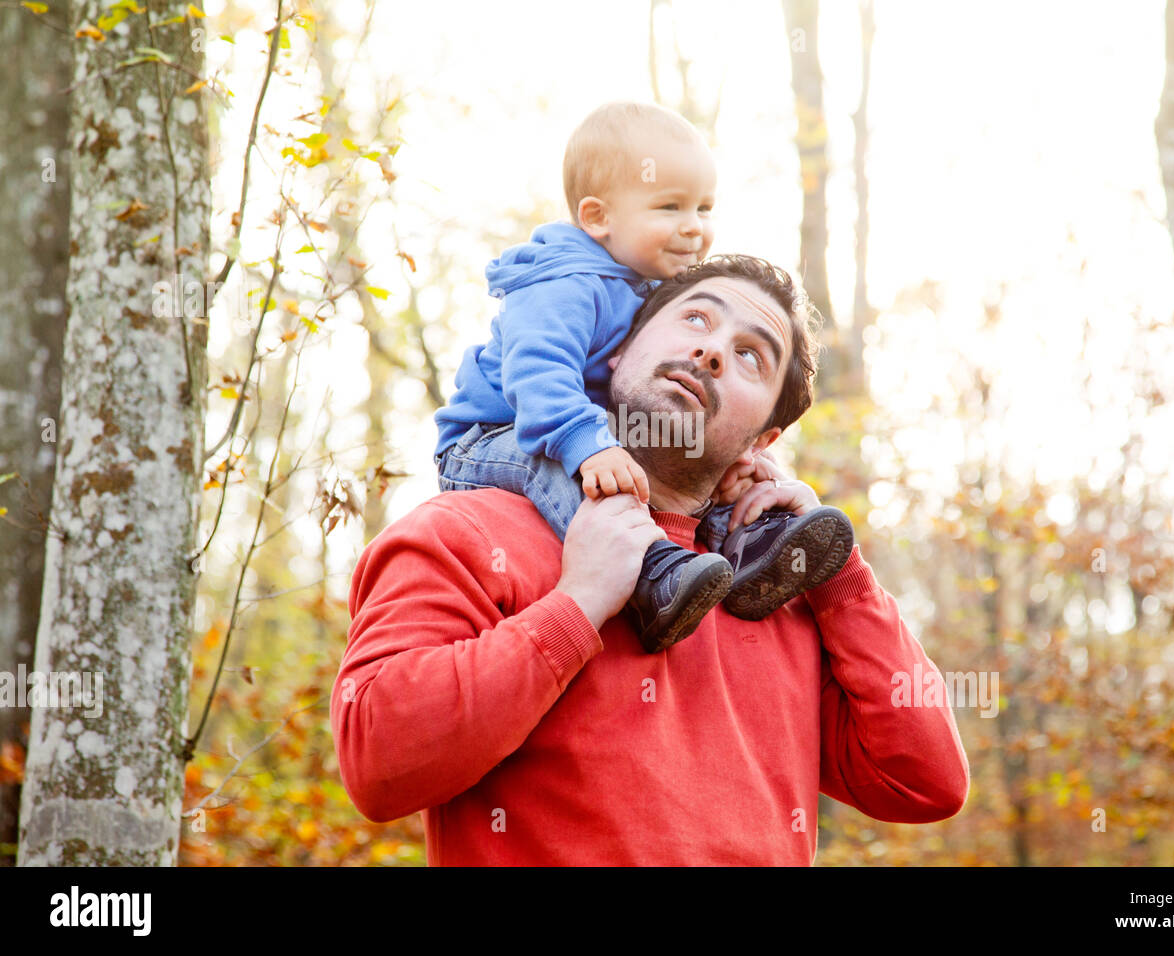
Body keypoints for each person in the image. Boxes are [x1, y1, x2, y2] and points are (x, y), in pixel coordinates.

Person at [333, 255, 970, 866]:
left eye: (751, 355)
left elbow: (924, 781)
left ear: (763, 441)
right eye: (696, 318)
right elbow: (376, 759)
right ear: (616, 351)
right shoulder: (467, 532)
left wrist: (839, 581)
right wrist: (576, 607)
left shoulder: (773, 590)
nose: (713, 350)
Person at [433, 102, 854, 653]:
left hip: (570, 425)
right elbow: (537, 377)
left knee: (684, 450)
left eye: (704, 209)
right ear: (597, 217)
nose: (694, 228)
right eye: (670, 206)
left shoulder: (644, 285)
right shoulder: (563, 283)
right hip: (490, 439)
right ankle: (651, 572)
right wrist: (587, 446)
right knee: (567, 472)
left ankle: (752, 541)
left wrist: (750, 464)